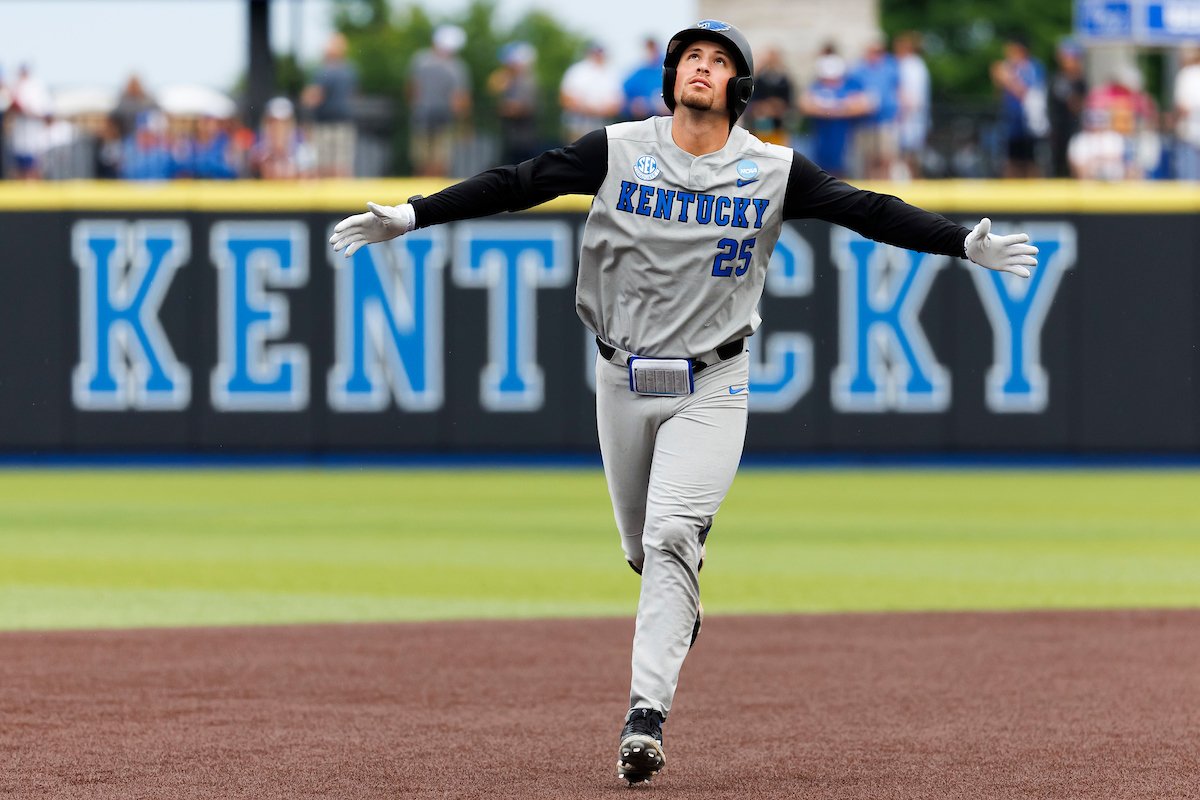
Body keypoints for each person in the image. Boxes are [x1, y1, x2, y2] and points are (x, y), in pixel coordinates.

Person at [328, 20, 1038, 786]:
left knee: (671, 535)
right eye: (691, 57)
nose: (701, 67)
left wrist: (962, 244)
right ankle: (678, 602)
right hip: (621, 377)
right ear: (670, 76)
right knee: (644, 551)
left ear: (740, 87)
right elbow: (517, 182)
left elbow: (867, 208)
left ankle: (645, 714)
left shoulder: (771, 169)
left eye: (718, 59)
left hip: (714, 381)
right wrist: (412, 213)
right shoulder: (619, 148)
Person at [408, 25, 471, 177]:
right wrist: (465, 124)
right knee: (439, 162)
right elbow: (459, 98)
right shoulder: (457, 67)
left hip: (422, 116)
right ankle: (435, 198)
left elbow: (412, 89)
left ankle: (419, 198)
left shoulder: (420, 60)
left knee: (422, 162)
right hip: (442, 119)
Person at [799, 49, 873, 178]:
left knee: (846, 168)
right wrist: (832, 109)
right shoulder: (816, 86)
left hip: (846, 137)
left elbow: (866, 104)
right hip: (822, 138)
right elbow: (805, 105)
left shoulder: (851, 85)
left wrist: (836, 109)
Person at [301, 32, 359, 178]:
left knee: (326, 168)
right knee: (342, 168)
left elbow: (312, 97)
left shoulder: (324, 72)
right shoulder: (350, 70)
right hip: (343, 124)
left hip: (326, 126)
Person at [991, 37, 1049, 178]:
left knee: (1031, 162)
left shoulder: (1034, 67)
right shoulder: (1010, 68)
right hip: (1011, 124)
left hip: (1030, 124)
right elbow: (999, 95)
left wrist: (1008, 80)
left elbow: (1029, 94)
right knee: (1011, 161)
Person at [852, 32, 901, 179]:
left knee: (887, 155)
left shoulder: (890, 65)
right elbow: (853, 93)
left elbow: (898, 88)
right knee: (869, 157)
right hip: (866, 120)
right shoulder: (859, 68)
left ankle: (885, 183)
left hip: (886, 118)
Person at [559, 42, 623, 142]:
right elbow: (564, 99)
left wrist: (597, 111)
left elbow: (617, 105)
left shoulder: (611, 74)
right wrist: (586, 108)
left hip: (603, 129)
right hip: (577, 128)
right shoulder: (577, 71)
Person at [488, 41, 540, 164]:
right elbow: (493, 86)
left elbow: (526, 107)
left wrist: (508, 108)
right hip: (511, 136)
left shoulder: (527, 82)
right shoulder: (512, 80)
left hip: (523, 138)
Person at [250, 97, 314, 180]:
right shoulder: (258, 150)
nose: (278, 127)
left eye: (283, 123)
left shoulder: (301, 150)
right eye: (272, 122)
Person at [894, 32, 930, 179]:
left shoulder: (911, 65)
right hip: (913, 117)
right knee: (910, 156)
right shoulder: (917, 65)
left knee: (909, 156)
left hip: (910, 117)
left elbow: (913, 96)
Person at [1049, 39, 1087, 178]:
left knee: (1074, 162)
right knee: (1057, 165)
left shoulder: (1080, 80)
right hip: (1057, 130)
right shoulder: (1056, 79)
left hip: (1074, 128)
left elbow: (1078, 106)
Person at [747, 46, 793, 146]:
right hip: (759, 128)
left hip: (778, 129)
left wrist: (776, 107)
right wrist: (762, 108)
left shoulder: (784, 81)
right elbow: (751, 104)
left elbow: (788, 104)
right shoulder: (759, 80)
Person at [622, 38, 669, 121]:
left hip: (667, 118)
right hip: (644, 118)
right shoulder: (639, 73)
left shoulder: (669, 70)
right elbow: (624, 98)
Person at [1175, 46, 1200, 180]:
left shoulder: (1186, 74)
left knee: (1188, 181)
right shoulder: (1187, 74)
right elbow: (1183, 107)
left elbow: (1182, 107)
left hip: (1189, 132)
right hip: (1190, 132)